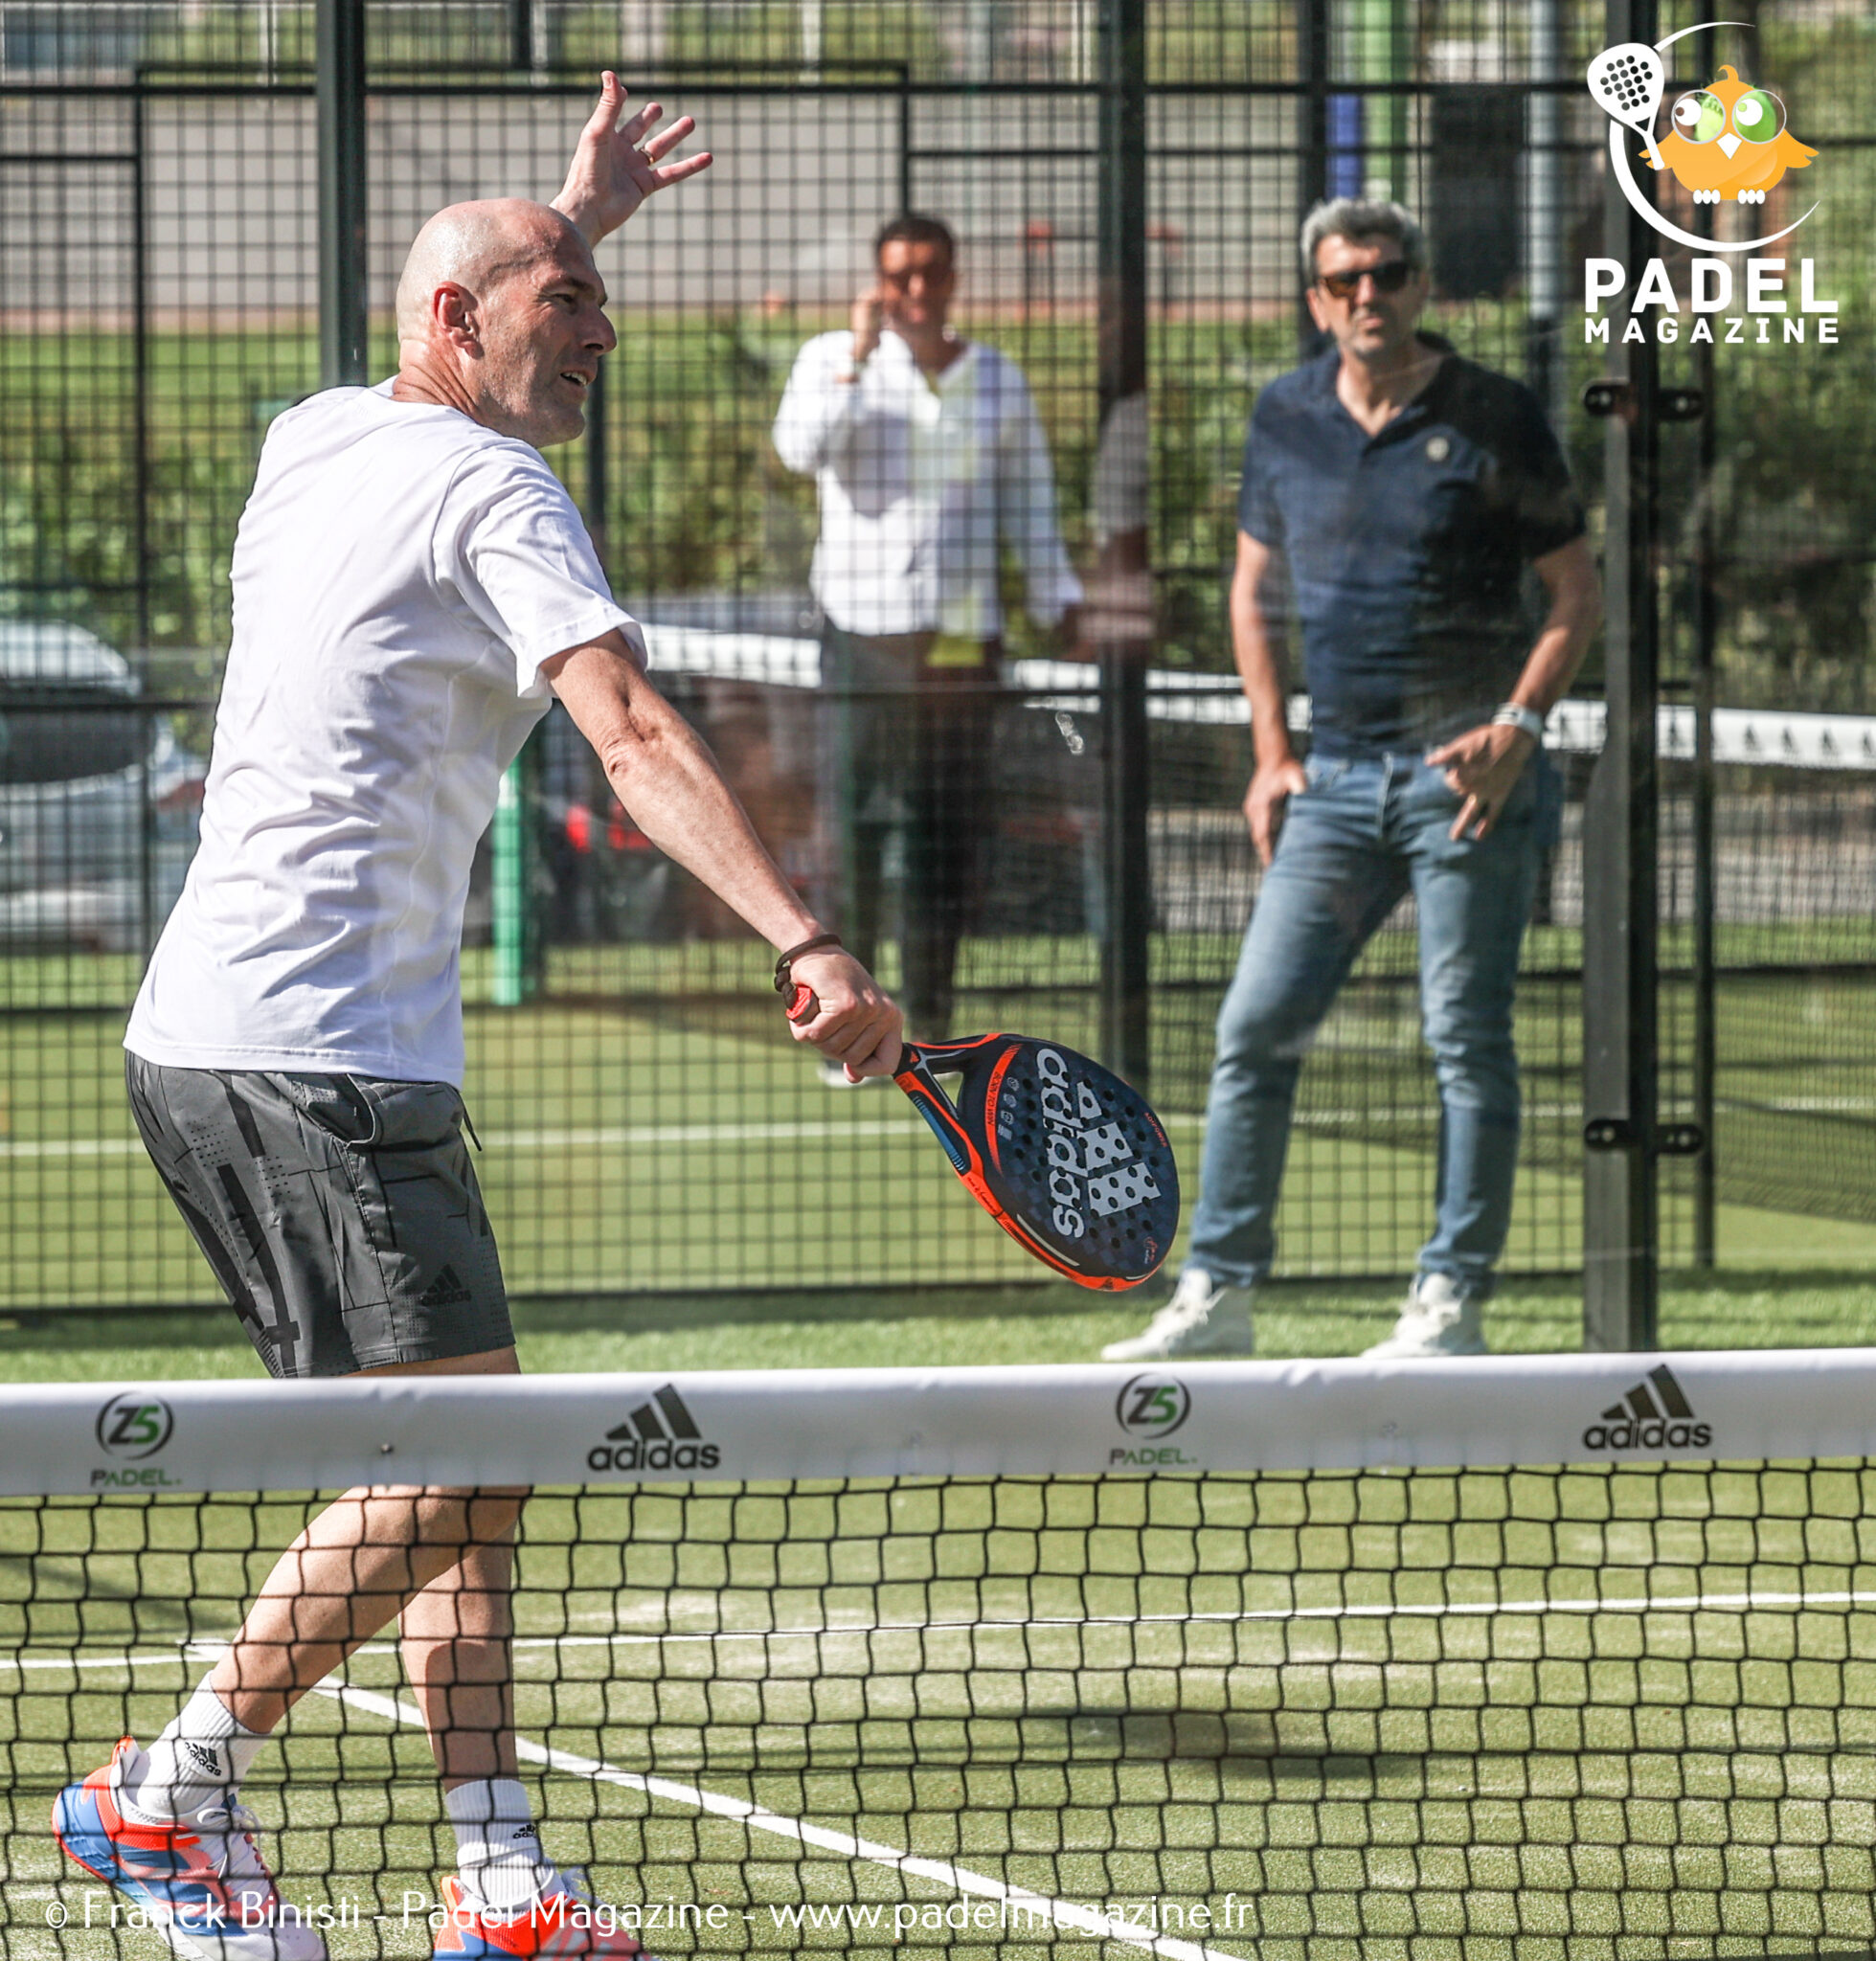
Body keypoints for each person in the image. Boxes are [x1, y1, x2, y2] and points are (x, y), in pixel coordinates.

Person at [54, 77, 900, 1961]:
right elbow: (628, 728)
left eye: (597, 301)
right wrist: (802, 936)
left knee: (458, 1469)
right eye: (567, 307)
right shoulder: (498, 488)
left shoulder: (317, 435)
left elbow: (454, 310)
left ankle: (498, 1871)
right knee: (469, 1457)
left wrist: (572, 216)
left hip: (285, 1044)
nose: (598, 334)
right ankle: (160, 1792)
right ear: (463, 325)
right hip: (305, 1050)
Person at [1104, 198, 1600, 1366]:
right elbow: (1249, 590)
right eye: (1341, 280)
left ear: (1422, 283)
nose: (1364, 295)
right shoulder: (1284, 414)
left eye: (1385, 273)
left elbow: (1579, 593)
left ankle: (1449, 1302)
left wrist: (1518, 726)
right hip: (1331, 786)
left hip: (1465, 785)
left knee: (1466, 1040)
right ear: (1316, 297)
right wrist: (1272, 753)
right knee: (1255, 1026)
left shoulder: (1496, 415)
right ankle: (1217, 1293)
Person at [772, 214, 1081, 1060]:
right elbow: (800, 451)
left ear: (952, 278)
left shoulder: (994, 378)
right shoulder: (833, 361)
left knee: (946, 831)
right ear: (878, 281)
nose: (915, 290)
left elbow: (1029, 499)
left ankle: (934, 1021)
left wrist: (1059, 598)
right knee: (860, 828)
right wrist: (857, 358)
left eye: (931, 273)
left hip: (958, 644)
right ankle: (852, 1022)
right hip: (862, 636)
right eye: (899, 275)